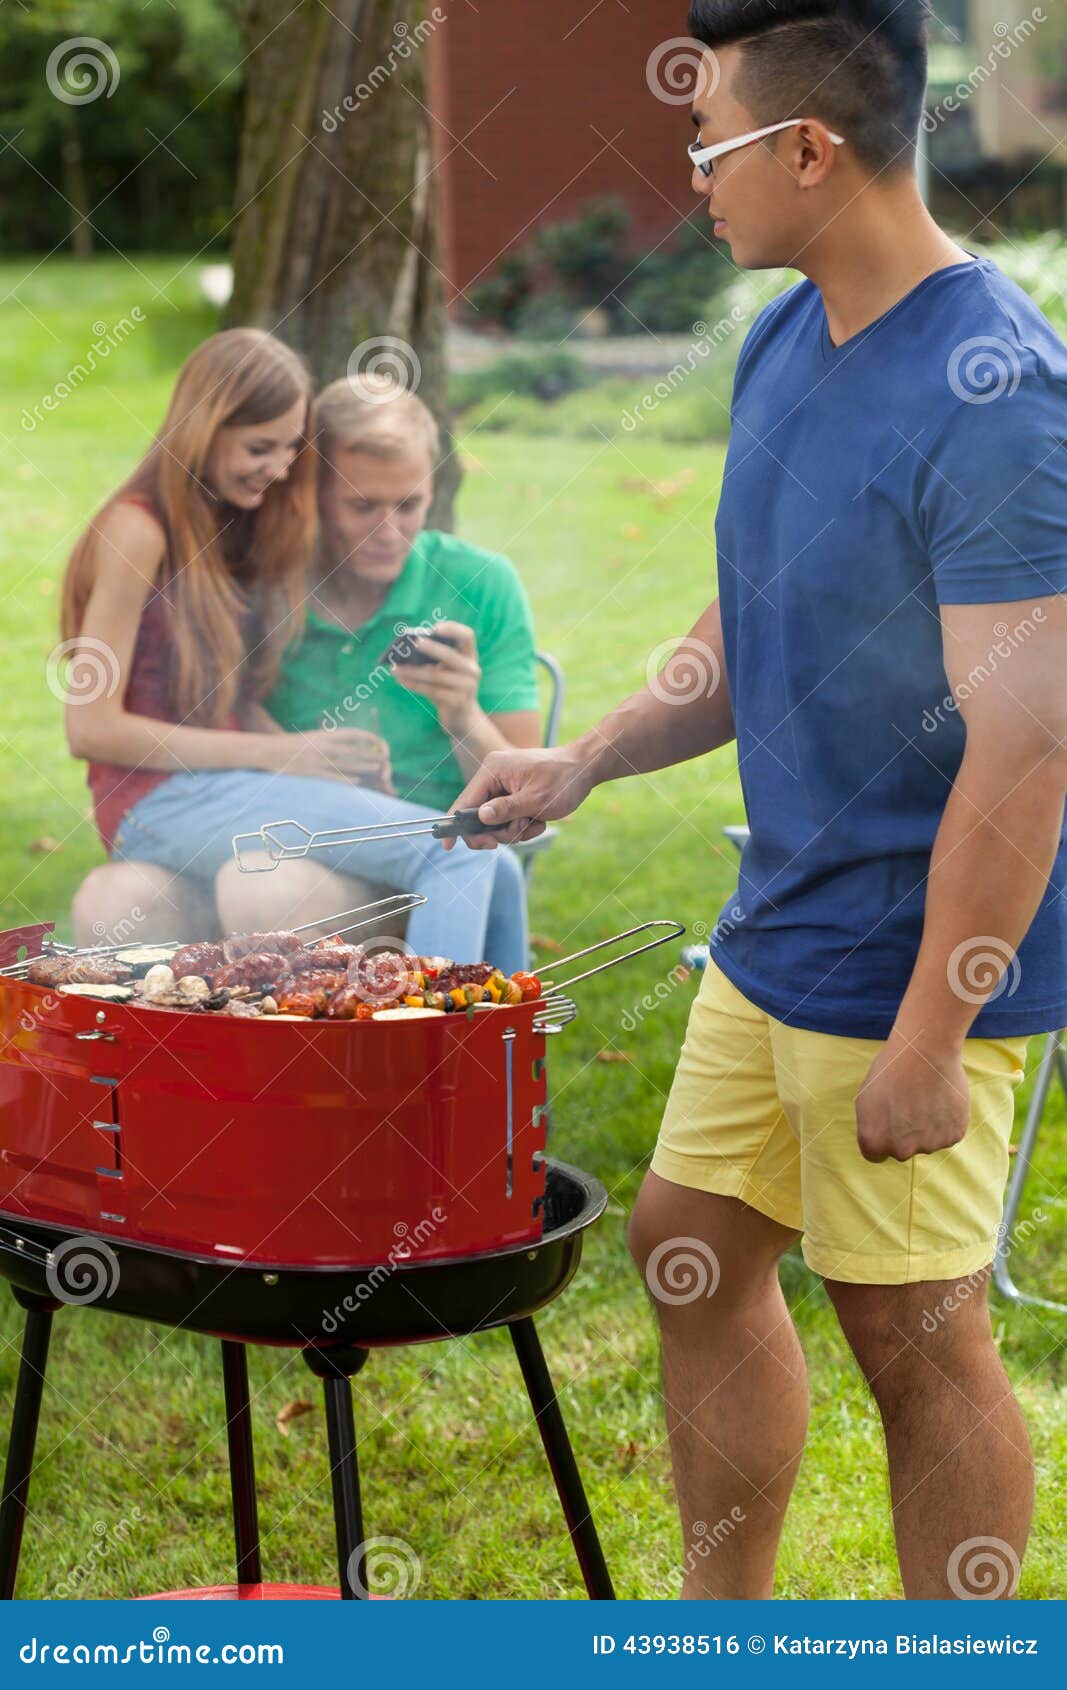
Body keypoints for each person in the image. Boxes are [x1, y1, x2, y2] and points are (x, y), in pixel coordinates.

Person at [444, 0, 1067, 1600]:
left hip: (915, 946)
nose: (687, 173)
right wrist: (581, 761)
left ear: (807, 148)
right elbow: (746, 624)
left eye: (703, 138)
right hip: (775, 917)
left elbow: (1027, 748)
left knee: (914, 1340)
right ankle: (723, 1634)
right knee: (688, 1247)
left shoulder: (998, 394)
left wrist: (935, 1029)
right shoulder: (788, 333)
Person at [64, 336, 533, 970]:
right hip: (170, 801)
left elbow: (226, 708)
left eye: (289, 451)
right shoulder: (141, 528)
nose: (278, 469)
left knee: (488, 862)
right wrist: (287, 756)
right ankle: (445, 1056)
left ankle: (498, 1059)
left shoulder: (224, 535)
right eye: (261, 448)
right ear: (202, 430)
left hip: (212, 799)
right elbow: (88, 725)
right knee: (448, 847)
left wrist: (341, 764)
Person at [210, 375, 540, 972]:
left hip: (433, 861)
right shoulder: (265, 581)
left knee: (256, 887)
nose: (389, 533)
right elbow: (212, 718)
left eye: (409, 504)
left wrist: (462, 714)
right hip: (293, 834)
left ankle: (404, 1056)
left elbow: (522, 809)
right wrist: (298, 757)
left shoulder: (481, 582)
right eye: (361, 506)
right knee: (125, 894)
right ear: (308, 494)